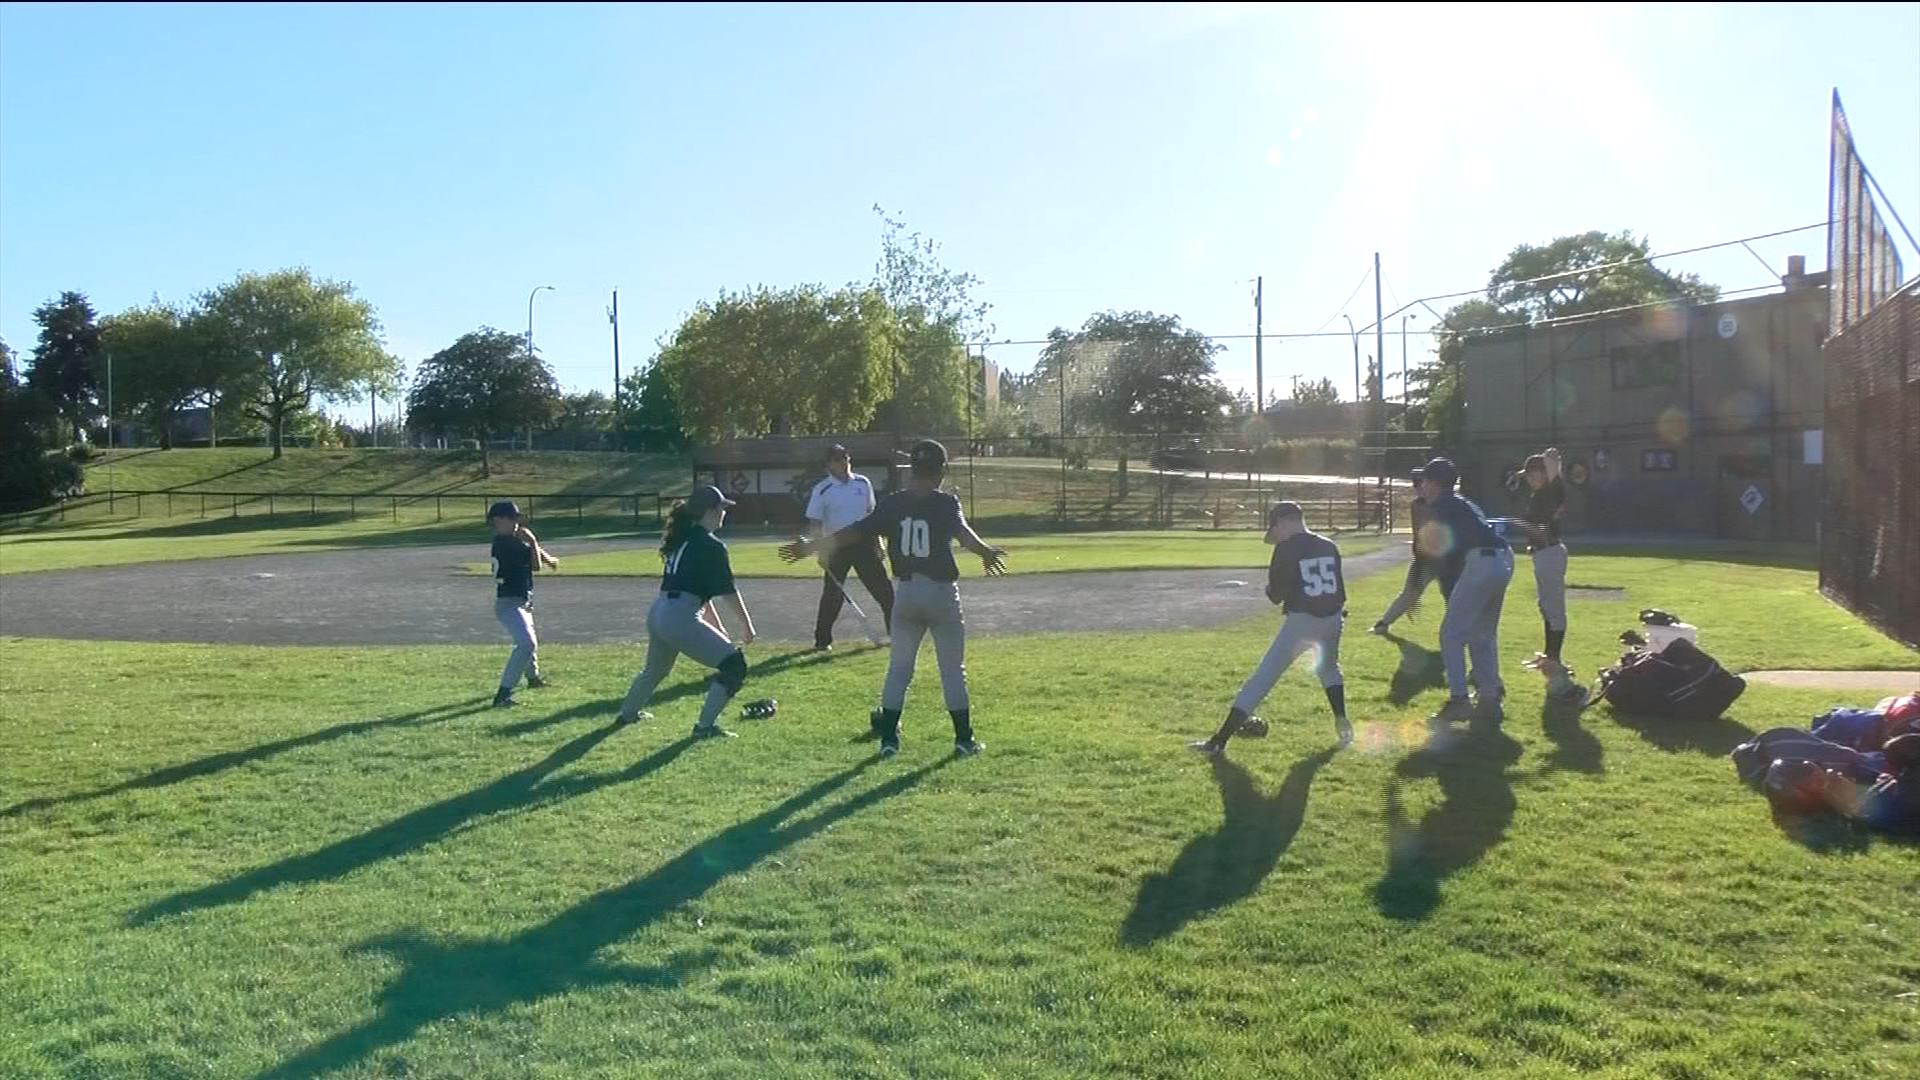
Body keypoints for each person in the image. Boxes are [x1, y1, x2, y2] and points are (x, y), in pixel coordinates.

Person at [780, 439, 1006, 758]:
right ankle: (963, 739)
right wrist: (986, 553)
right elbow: (964, 535)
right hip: (941, 592)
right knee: (953, 670)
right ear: (940, 471)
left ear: (911, 469)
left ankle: (888, 741)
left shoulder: (893, 503)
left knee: (899, 669)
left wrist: (813, 546)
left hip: (907, 593)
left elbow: (854, 532)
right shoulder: (945, 502)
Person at [1189, 501, 1351, 756]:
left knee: (1262, 679)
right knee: (1329, 669)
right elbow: (1340, 592)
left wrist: (1267, 589)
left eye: (1276, 528)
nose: (1277, 535)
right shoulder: (1329, 545)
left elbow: (1276, 595)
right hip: (1333, 619)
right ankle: (1343, 723)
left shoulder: (1286, 548)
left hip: (1301, 621)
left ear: (1284, 521)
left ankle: (1217, 743)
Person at [617, 485, 757, 739]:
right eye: (721, 508)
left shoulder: (683, 537)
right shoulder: (711, 545)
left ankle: (627, 713)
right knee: (734, 667)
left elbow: (700, 591)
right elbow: (728, 591)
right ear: (710, 511)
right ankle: (704, 728)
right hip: (679, 616)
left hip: (660, 611)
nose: (724, 513)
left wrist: (715, 626)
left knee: (655, 669)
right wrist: (747, 625)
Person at [1415, 457, 1513, 726]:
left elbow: (1435, 549)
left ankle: (1459, 700)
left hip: (1480, 562)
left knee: (1451, 634)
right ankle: (1490, 699)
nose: (1422, 486)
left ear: (1435, 483)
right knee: (1482, 634)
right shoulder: (1462, 503)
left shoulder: (1441, 504)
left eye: (1425, 480)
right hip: (1502, 558)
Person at [805, 444, 893, 651]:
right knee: (832, 597)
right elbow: (815, 524)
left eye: (845, 458)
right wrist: (822, 551)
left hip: (865, 544)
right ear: (828, 464)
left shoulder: (863, 483)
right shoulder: (822, 490)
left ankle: (896, 635)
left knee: (885, 593)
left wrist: (879, 543)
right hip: (836, 547)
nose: (843, 463)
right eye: (837, 459)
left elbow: (873, 516)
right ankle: (822, 640)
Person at [1516, 449, 1584, 702]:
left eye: (1534, 474)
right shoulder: (1539, 494)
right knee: (1545, 606)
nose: (1529, 479)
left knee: (1554, 609)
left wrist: (1550, 461)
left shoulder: (1551, 490)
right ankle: (1549, 657)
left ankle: (1555, 660)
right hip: (1542, 553)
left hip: (1551, 553)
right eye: (1528, 475)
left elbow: (1554, 466)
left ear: (1543, 474)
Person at [487, 500, 558, 708]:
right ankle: (503, 694)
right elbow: (534, 564)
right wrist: (535, 543)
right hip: (509, 603)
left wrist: (548, 558)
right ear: (498, 520)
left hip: (520, 599)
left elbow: (529, 550)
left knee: (529, 637)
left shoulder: (508, 540)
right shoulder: (505, 543)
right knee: (527, 643)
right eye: (512, 519)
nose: (516, 523)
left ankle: (533, 678)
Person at [1372, 467, 1436, 634]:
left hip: (1449, 558)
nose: (1419, 488)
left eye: (1422, 483)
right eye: (1417, 484)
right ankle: (1383, 624)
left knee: (1457, 595)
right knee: (1409, 593)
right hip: (1426, 559)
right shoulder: (1418, 505)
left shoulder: (1445, 503)